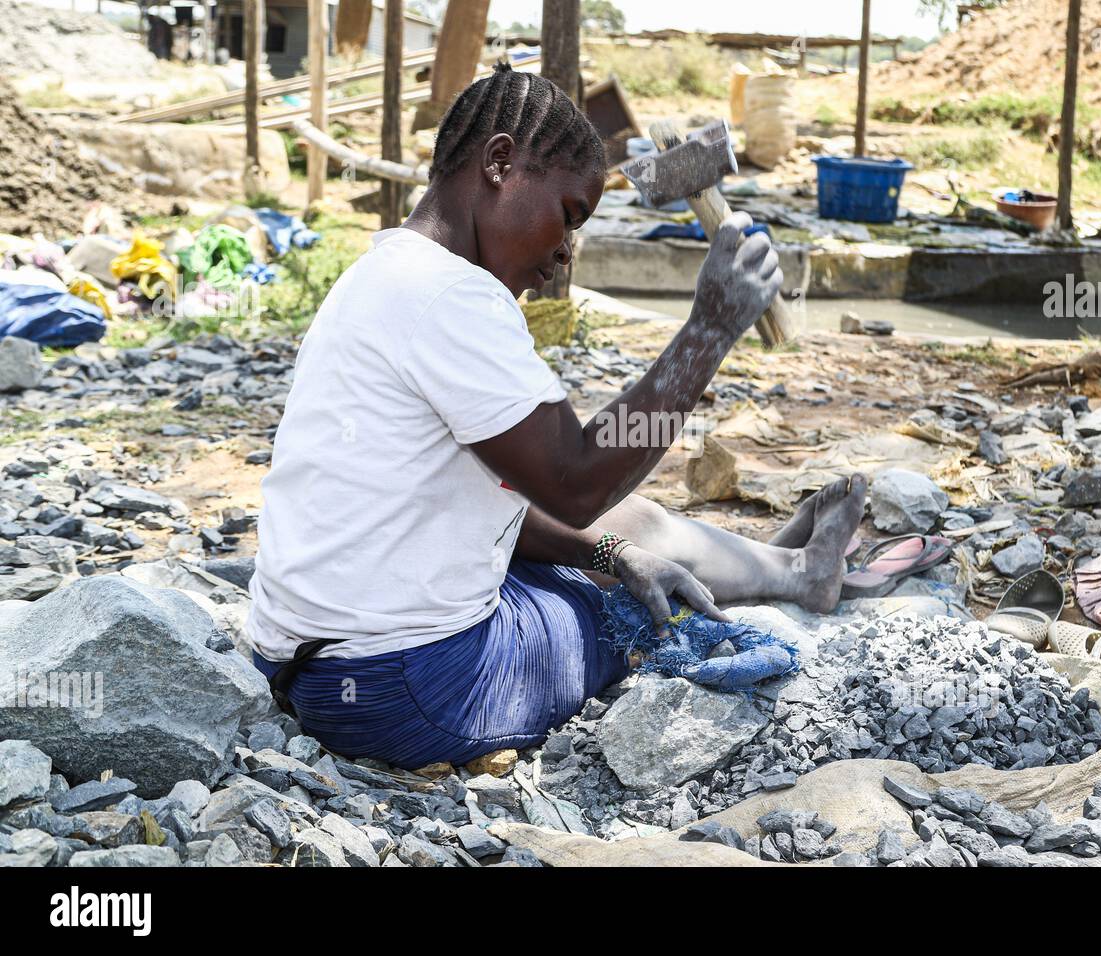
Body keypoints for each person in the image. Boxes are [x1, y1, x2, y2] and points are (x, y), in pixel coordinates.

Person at [247, 64, 867, 768]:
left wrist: (609, 553)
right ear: (501, 162)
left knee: (626, 535)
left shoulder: (380, 274)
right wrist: (708, 332)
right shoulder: (452, 298)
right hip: (409, 691)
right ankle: (782, 574)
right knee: (635, 611)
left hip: (305, 663)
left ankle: (790, 570)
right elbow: (574, 482)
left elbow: (531, 504)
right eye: (569, 215)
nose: (566, 252)